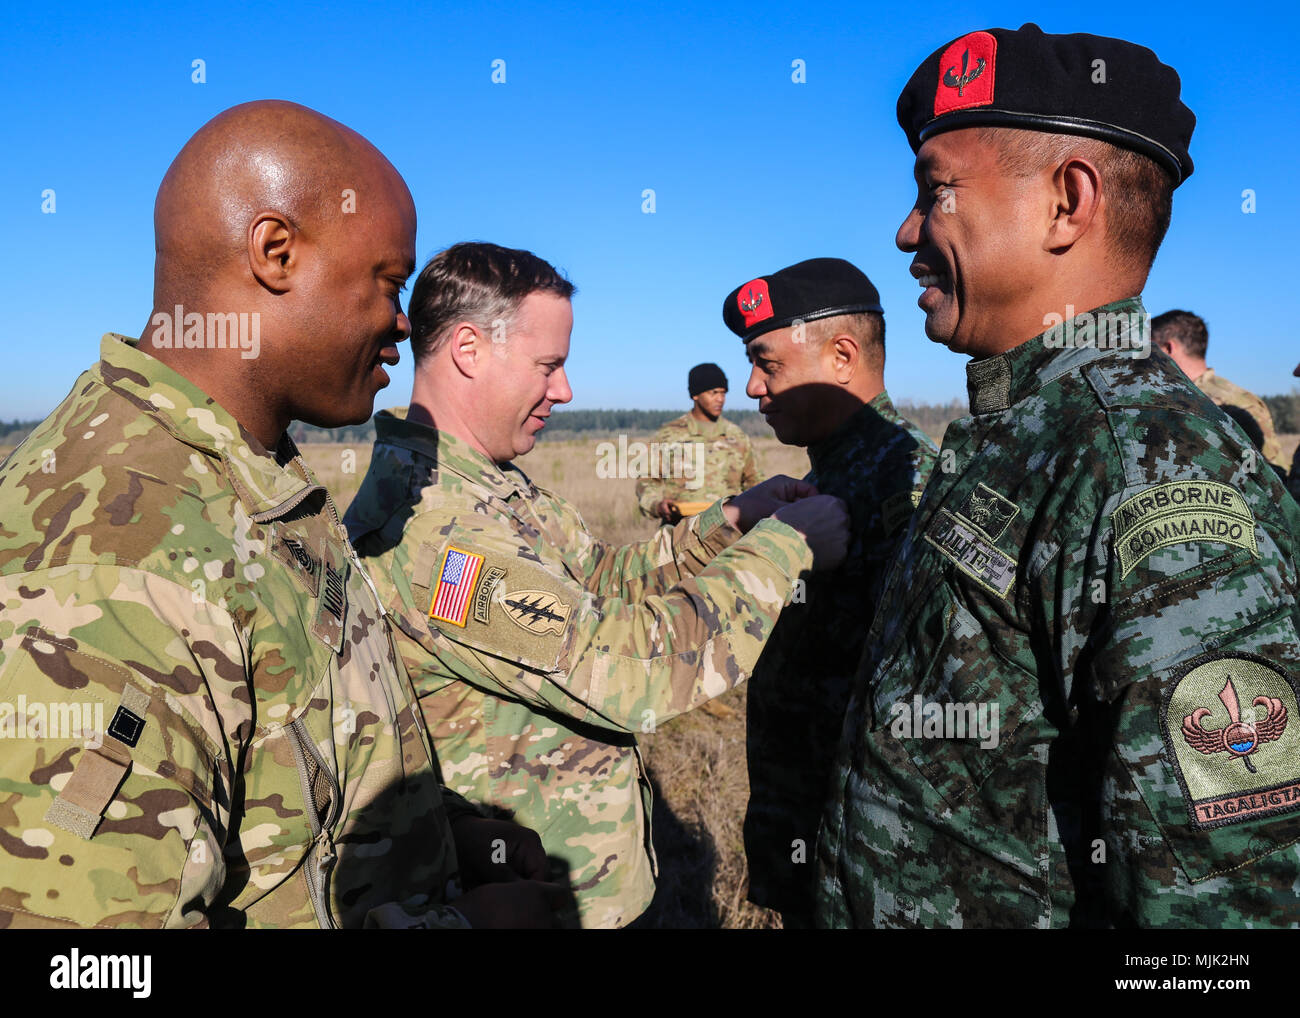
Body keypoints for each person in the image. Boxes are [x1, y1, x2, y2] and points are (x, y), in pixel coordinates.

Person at [0, 101, 560, 929]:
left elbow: (291, 775)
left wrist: (439, 843)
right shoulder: (122, 556)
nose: (404, 322)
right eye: (388, 282)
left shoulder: (247, 470)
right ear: (275, 253)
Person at [817, 24, 1300, 928]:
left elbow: (1227, 921)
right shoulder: (1029, 430)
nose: (907, 231)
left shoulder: (1147, 465)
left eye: (934, 192)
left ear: (1066, 204)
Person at [344, 241, 850, 928]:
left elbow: (598, 580)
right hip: (543, 900)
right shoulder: (436, 532)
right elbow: (624, 671)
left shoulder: (488, 486)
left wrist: (733, 520)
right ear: (469, 349)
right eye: (548, 366)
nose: (565, 391)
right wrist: (785, 549)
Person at [724, 257, 938, 927]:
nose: (753, 387)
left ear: (842, 355)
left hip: (872, 860)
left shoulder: (907, 483)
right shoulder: (833, 472)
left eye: (768, 363)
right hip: (817, 832)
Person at [1152, 310, 1286, 474]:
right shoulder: (1177, 397)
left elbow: (1266, 473)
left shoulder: (1233, 403)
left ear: (1168, 348)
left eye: (1149, 350)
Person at [636, 363, 761, 524]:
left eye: (723, 393)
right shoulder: (668, 435)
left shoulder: (737, 436)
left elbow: (754, 481)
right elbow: (647, 480)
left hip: (728, 533)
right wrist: (657, 505)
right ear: (695, 395)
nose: (720, 399)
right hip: (679, 530)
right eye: (713, 393)